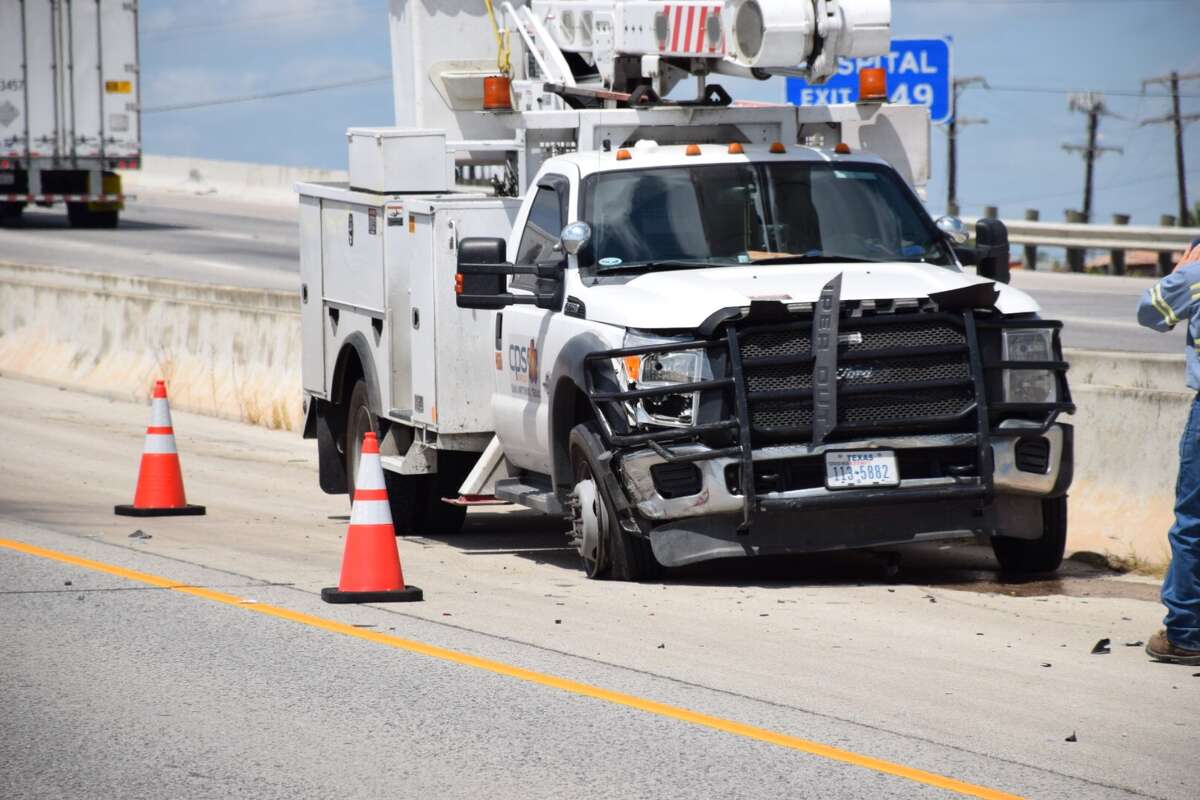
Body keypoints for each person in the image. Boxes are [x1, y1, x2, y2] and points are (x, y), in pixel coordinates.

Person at [1136, 241, 1200, 665]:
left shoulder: (1195, 276)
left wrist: (1181, 271)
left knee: (1194, 524)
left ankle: (1186, 634)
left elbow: (1151, 313)